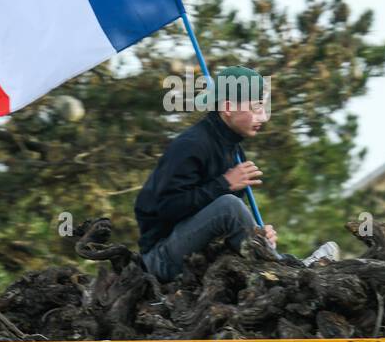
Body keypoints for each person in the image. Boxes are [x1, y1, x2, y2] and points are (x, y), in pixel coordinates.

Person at [134, 65, 336, 281]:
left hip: (203, 251)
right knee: (229, 207)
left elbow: (214, 217)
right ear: (228, 107)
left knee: (238, 214)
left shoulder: (233, 149)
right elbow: (167, 207)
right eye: (256, 108)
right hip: (161, 258)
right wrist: (224, 184)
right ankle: (290, 275)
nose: (264, 117)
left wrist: (255, 234)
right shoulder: (192, 145)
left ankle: (280, 260)